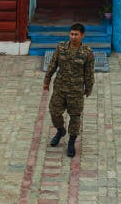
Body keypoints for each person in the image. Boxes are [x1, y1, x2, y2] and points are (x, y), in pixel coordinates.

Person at [43, 23, 94, 158]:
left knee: (75, 117)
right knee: (54, 111)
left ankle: (71, 142)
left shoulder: (87, 52)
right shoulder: (61, 48)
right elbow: (52, 64)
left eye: (76, 34)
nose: (73, 37)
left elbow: (89, 73)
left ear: (82, 35)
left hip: (76, 91)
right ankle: (60, 131)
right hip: (60, 88)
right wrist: (46, 80)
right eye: (72, 34)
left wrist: (89, 88)